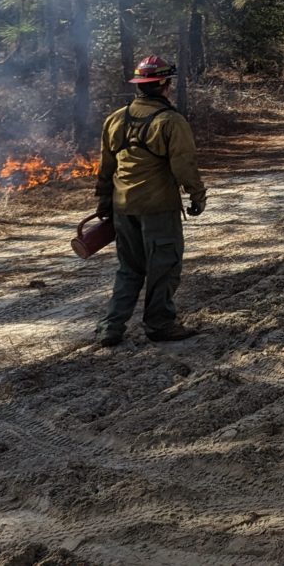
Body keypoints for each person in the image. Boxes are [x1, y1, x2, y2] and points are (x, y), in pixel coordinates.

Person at [94, 55, 205, 347]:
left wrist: (104, 201)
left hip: (122, 207)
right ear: (165, 85)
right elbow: (184, 165)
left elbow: (106, 168)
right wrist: (197, 195)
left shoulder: (114, 120)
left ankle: (110, 327)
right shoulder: (170, 121)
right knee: (164, 266)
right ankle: (159, 324)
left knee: (129, 269)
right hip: (157, 208)